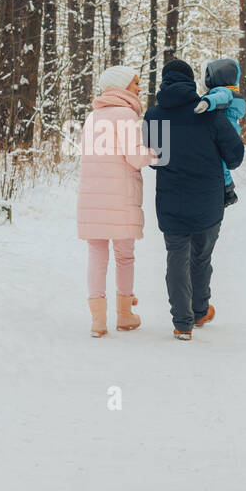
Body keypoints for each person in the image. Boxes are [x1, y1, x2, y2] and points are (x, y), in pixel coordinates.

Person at [143, 59, 245, 341]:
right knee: (201, 256)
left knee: (176, 257)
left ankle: (182, 324)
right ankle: (200, 310)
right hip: (208, 201)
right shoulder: (209, 112)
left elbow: (154, 160)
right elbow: (234, 158)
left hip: (170, 201)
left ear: (165, 82)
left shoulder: (154, 115)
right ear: (191, 81)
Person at [76, 65, 158, 337]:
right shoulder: (125, 115)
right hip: (120, 197)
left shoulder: (93, 116)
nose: (138, 88)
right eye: (135, 83)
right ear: (121, 86)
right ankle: (124, 315)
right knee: (124, 256)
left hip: (93, 197)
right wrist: (156, 153)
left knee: (96, 255)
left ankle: (97, 321)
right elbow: (135, 157)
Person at [193, 57, 246, 208]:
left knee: (220, 162)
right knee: (221, 162)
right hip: (230, 130)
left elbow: (220, 98)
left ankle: (228, 191)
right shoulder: (233, 92)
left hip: (224, 131)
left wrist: (207, 102)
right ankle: (228, 191)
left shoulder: (223, 91)